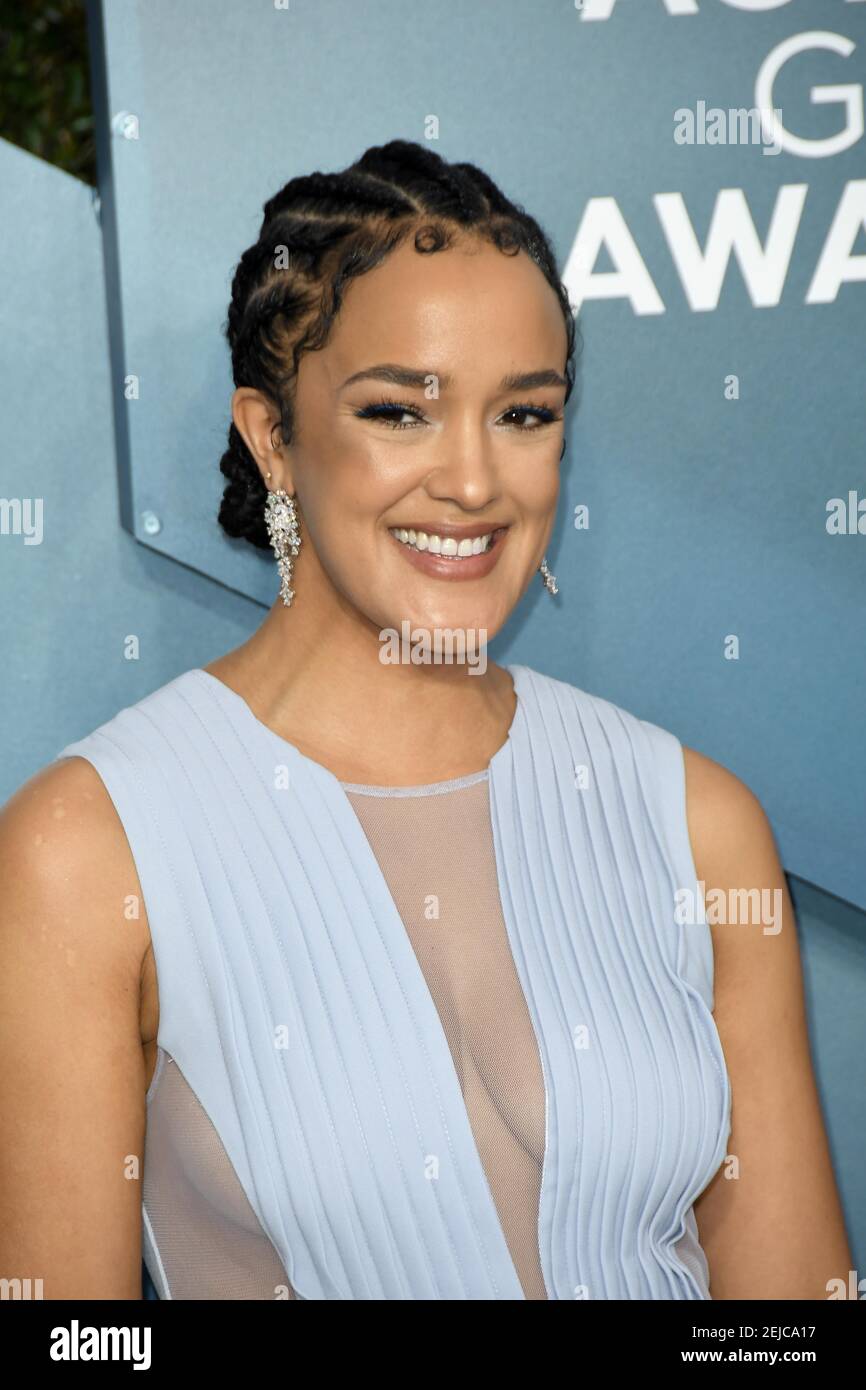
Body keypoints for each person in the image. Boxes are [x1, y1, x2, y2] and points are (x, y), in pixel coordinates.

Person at [0, 140, 852, 1301]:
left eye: (522, 414)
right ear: (269, 436)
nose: (470, 481)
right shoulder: (88, 848)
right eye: (400, 410)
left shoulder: (696, 824)